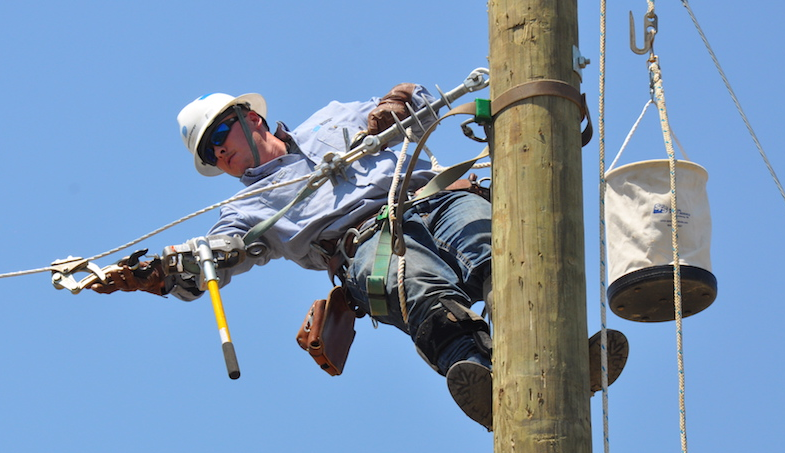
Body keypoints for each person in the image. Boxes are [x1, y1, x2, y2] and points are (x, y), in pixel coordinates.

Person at [89, 83, 624, 430]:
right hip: (369, 244)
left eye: (219, 135)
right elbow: (214, 256)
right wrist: (151, 274)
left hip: (437, 195)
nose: (218, 154)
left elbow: (426, 101)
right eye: (208, 154)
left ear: (249, 117)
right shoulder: (247, 207)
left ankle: (558, 355)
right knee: (424, 295)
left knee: (493, 252)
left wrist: (400, 102)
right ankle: (486, 388)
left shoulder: (336, 117)